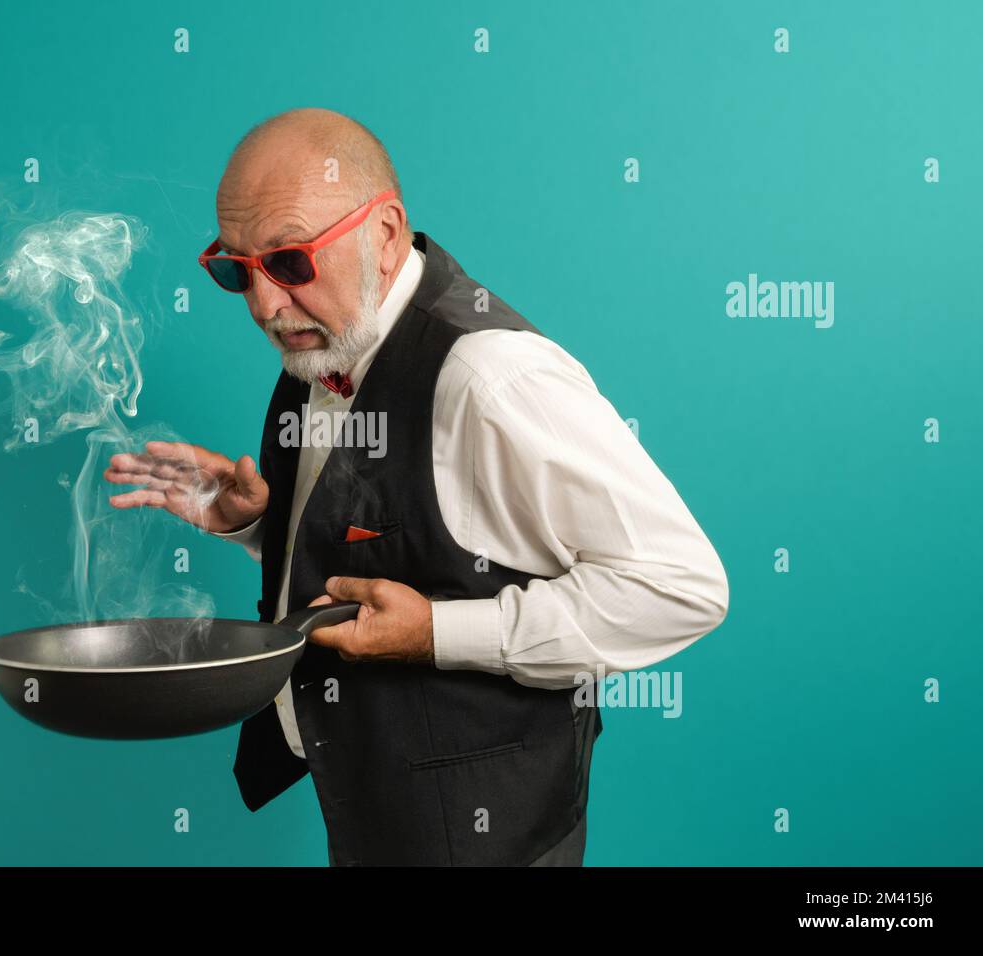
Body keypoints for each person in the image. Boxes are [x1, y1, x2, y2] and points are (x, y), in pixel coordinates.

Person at [106, 107, 729, 866]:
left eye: (292, 261)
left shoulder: (491, 378)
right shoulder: (327, 341)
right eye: (236, 270)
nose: (265, 306)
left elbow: (682, 585)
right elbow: (407, 542)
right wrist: (257, 529)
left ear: (386, 232)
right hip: (372, 818)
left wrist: (439, 633)